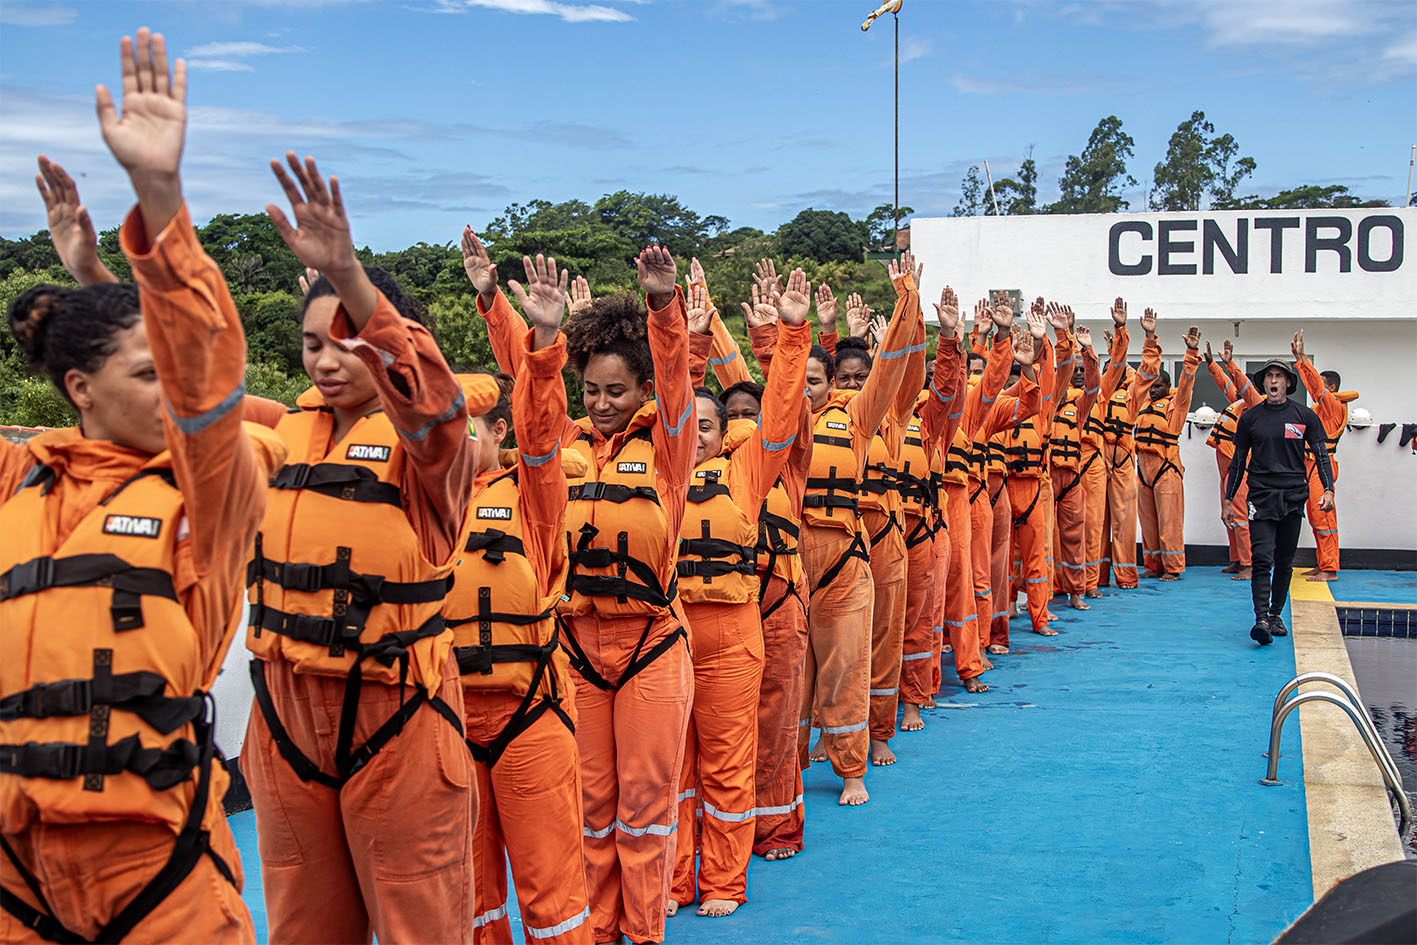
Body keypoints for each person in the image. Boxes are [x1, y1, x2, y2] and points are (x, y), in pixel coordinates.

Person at [1, 29, 285, 943]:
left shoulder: (212, 487)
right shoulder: (20, 478)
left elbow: (206, 370)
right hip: (15, 859)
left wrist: (159, 197)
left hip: (151, 855)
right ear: (80, 390)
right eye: (143, 374)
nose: (174, 392)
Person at [241, 155, 486, 944]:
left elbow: (435, 406)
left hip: (399, 710)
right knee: (302, 924)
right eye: (312, 344)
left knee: (420, 920)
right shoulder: (281, 432)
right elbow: (177, 385)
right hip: (282, 711)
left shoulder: (433, 458)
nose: (325, 359)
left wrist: (346, 272)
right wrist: (103, 267)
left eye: (346, 340)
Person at [443, 255, 593, 944]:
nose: (450, 444)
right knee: (466, 891)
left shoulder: (532, 496)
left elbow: (541, 430)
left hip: (526, 707)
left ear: (495, 432)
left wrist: (540, 342)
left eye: (466, 429)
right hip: (443, 718)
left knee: (550, 886)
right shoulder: (418, 509)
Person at [670, 275, 809, 918]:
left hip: (732, 635)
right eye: (687, 424)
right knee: (673, 773)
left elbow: (782, 409)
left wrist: (788, 336)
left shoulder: (746, 473)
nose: (696, 433)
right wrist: (687, 339)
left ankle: (723, 881)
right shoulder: (655, 476)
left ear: (723, 431)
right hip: (666, 639)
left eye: (708, 425)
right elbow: (667, 389)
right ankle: (672, 882)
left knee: (726, 765)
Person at [798, 252, 920, 807]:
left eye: (817, 381)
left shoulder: (864, 419)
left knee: (851, 658)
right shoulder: (775, 427)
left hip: (850, 548)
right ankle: (797, 749)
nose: (810, 389)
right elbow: (727, 380)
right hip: (790, 556)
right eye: (799, 380)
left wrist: (906, 304)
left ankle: (856, 761)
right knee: (793, 667)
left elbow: (895, 368)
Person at [833, 294, 926, 767]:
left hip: (885, 530)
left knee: (885, 634)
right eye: (843, 378)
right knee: (835, 646)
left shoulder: (891, 417)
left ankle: (880, 730)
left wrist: (909, 316)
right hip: (836, 535)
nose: (852, 386)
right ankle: (829, 734)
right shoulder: (814, 420)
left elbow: (904, 371)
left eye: (860, 378)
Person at [1224, 360, 1335, 645]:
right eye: (1269, 376)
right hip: (1261, 497)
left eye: (1279, 376)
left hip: (1293, 497)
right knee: (1262, 559)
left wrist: (1328, 490)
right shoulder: (1250, 418)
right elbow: (1237, 463)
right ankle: (1260, 619)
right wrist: (1227, 500)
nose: (1273, 381)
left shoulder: (1304, 415)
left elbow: (1321, 455)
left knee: (1285, 562)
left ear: (1287, 383)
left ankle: (1275, 615)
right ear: (1264, 383)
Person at [897, 290, 965, 731]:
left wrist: (948, 337)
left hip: (920, 529)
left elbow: (944, 388)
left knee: (918, 623)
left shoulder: (929, 422)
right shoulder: (869, 419)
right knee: (869, 628)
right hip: (874, 529)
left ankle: (915, 701)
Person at [1001, 301, 1059, 636]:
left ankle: (1040, 615)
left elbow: (1045, 375)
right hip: (1002, 485)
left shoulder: (1039, 408)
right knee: (1003, 557)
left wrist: (1041, 339)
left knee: (1038, 556)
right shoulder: (995, 409)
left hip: (1033, 487)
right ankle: (1005, 607)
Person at [1131, 311, 1201, 581]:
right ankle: (1152, 565)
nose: (1153, 390)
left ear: (1167, 387)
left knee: (1169, 521)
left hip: (1166, 468)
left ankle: (1173, 567)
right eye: (1151, 386)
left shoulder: (1176, 406)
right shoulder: (1141, 406)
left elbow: (1187, 383)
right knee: (1148, 521)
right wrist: (1149, 337)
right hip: (1143, 469)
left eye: (1158, 386)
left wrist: (1191, 352)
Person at [1291, 331, 1357, 583]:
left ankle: (1330, 568)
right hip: (1308, 465)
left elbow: (1315, 387)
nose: (1314, 388)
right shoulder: (1316, 410)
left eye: (1321, 384)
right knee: (1314, 515)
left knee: (1324, 517)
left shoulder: (1333, 406)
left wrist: (1302, 360)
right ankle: (1322, 564)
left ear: (1331, 387)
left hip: (1323, 465)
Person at [1048, 318, 1102, 611]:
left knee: (1074, 537)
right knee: (1043, 541)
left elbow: (1094, 387)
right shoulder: (1043, 405)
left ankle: (1075, 591)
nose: (1079, 375)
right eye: (1074, 370)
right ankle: (1042, 594)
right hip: (1046, 477)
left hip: (1071, 479)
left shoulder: (1079, 408)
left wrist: (1088, 351)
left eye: (1082, 370)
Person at [1204, 339, 1262, 582]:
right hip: (1225, 468)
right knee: (1228, 514)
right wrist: (1211, 364)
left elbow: (1240, 385)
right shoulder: (1238, 403)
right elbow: (1224, 384)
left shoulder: (1256, 406)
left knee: (1240, 516)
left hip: (1242, 469)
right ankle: (1237, 560)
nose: (1236, 391)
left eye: (1241, 387)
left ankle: (1249, 564)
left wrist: (1230, 365)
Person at [1097, 299, 1142, 590]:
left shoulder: (1133, 395)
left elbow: (1144, 372)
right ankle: (1097, 576)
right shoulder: (1098, 394)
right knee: (1096, 522)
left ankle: (1126, 574)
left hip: (1124, 458)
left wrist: (1121, 337)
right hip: (1098, 459)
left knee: (1124, 521)